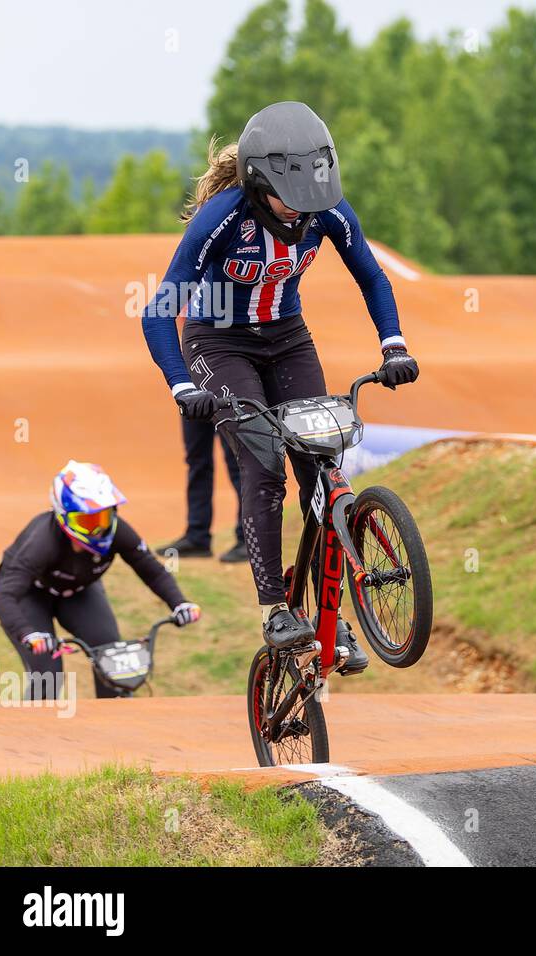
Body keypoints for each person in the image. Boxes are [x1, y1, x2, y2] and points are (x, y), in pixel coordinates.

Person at [139, 101, 419, 672]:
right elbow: (157, 312)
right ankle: (274, 610)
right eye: (292, 198)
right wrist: (179, 387)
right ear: (261, 183)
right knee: (265, 467)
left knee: (322, 462)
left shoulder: (327, 211)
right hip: (218, 343)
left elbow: (371, 274)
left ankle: (334, 615)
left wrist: (393, 345)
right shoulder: (222, 217)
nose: (304, 211)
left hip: (288, 337)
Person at [0, 462, 201, 700]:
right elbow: (3, 597)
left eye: (102, 519)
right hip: (30, 595)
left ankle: (112, 731)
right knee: (48, 675)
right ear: (63, 517)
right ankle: (32, 734)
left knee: (114, 664)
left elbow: (151, 569)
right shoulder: (42, 544)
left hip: (79, 592)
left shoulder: (118, 532)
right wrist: (28, 633)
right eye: (87, 522)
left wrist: (179, 603)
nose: (97, 532)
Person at [158, 415, 247, 562]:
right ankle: (197, 538)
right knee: (197, 463)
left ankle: (247, 539)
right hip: (193, 396)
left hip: (227, 395)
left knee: (238, 464)